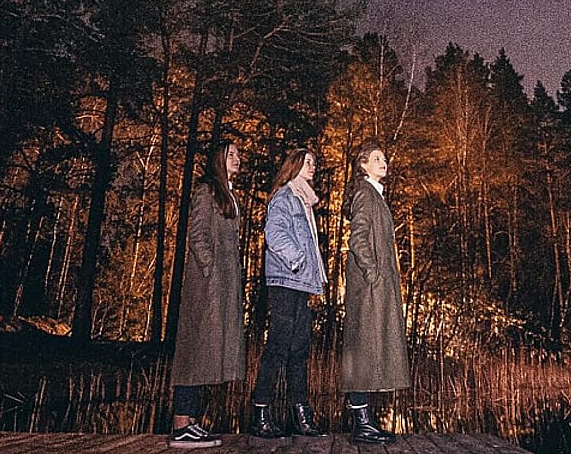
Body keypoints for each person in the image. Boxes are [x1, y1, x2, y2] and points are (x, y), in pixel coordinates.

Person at [169, 142, 246, 448]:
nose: (237, 159)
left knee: (206, 353)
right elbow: (197, 233)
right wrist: (210, 270)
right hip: (206, 286)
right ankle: (180, 424)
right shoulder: (206, 190)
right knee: (195, 350)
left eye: (238, 155)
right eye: (231, 154)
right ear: (218, 160)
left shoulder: (227, 192)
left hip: (221, 284)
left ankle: (190, 421)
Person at [249, 148, 329, 438]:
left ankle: (302, 415)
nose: (313, 166)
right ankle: (260, 412)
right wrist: (297, 259)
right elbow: (274, 233)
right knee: (279, 346)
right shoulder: (284, 197)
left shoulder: (305, 201)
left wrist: (314, 274)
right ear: (294, 166)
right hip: (285, 280)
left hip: (302, 283)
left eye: (315, 162)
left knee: (299, 349)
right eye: (308, 162)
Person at [340, 142, 410, 443]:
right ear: (363, 165)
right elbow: (357, 239)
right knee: (364, 347)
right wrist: (373, 273)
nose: (384, 162)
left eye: (385, 158)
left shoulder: (375, 195)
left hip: (376, 284)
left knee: (370, 347)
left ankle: (365, 420)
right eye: (377, 158)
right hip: (369, 285)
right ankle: (361, 421)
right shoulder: (365, 194)